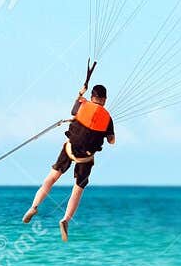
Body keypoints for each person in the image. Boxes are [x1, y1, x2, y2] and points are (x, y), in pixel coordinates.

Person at [23, 83, 114, 240]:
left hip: (69, 150)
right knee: (77, 189)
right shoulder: (108, 119)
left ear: (92, 97)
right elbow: (111, 141)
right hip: (85, 158)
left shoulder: (82, 105)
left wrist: (80, 93)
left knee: (51, 178)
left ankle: (34, 206)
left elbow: (74, 108)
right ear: (105, 100)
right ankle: (65, 220)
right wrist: (107, 132)